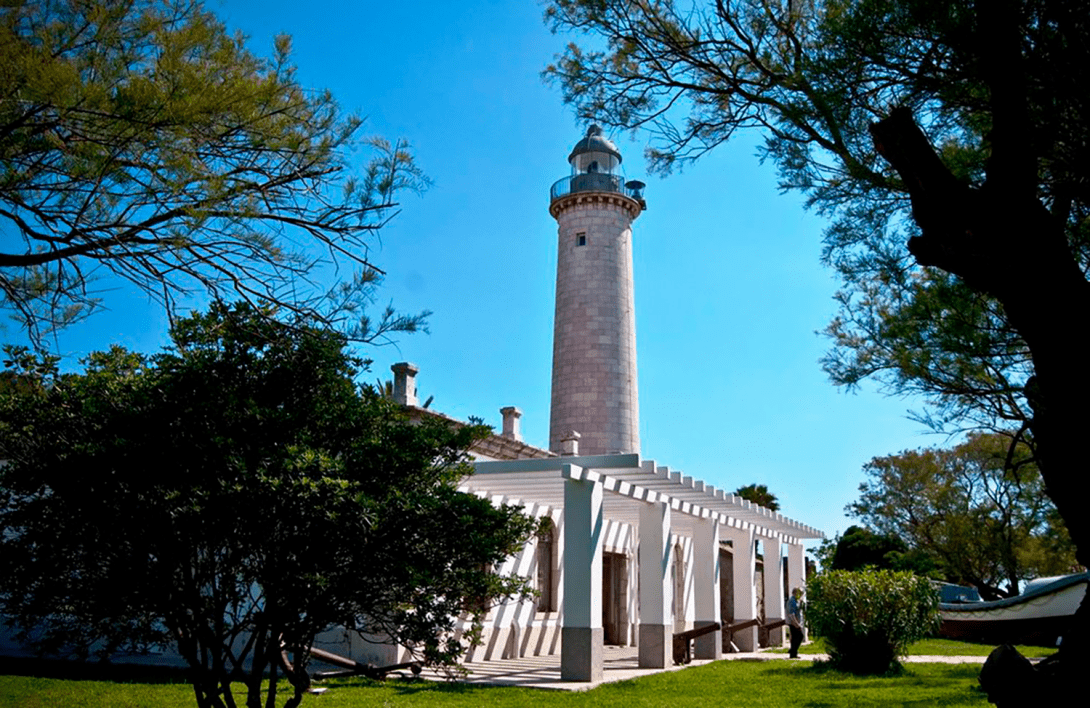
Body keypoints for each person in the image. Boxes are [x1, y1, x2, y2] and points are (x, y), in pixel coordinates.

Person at [786, 587, 804, 658]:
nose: (801, 595)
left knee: (796, 637)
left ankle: (793, 652)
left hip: (796, 622)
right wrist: (796, 624)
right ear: (796, 593)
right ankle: (793, 652)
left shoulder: (796, 601)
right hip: (793, 623)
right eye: (800, 593)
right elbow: (791, 614)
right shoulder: (792, 601)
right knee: (798, 636)